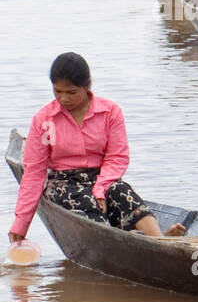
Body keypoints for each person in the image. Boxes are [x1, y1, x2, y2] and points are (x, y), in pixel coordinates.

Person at [8, 53, 186, 245]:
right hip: (63, 182)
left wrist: (100, 188)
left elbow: (116, 158)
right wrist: (21, 224)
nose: (64, 98)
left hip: (102, 176)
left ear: (87, 86)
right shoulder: (44, 120)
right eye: (58, 91)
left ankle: (160, 242)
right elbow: (34, 172)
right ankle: (119, 243)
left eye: (72, 92)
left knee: (122, 191)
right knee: (86, 201)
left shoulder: (109, 112)